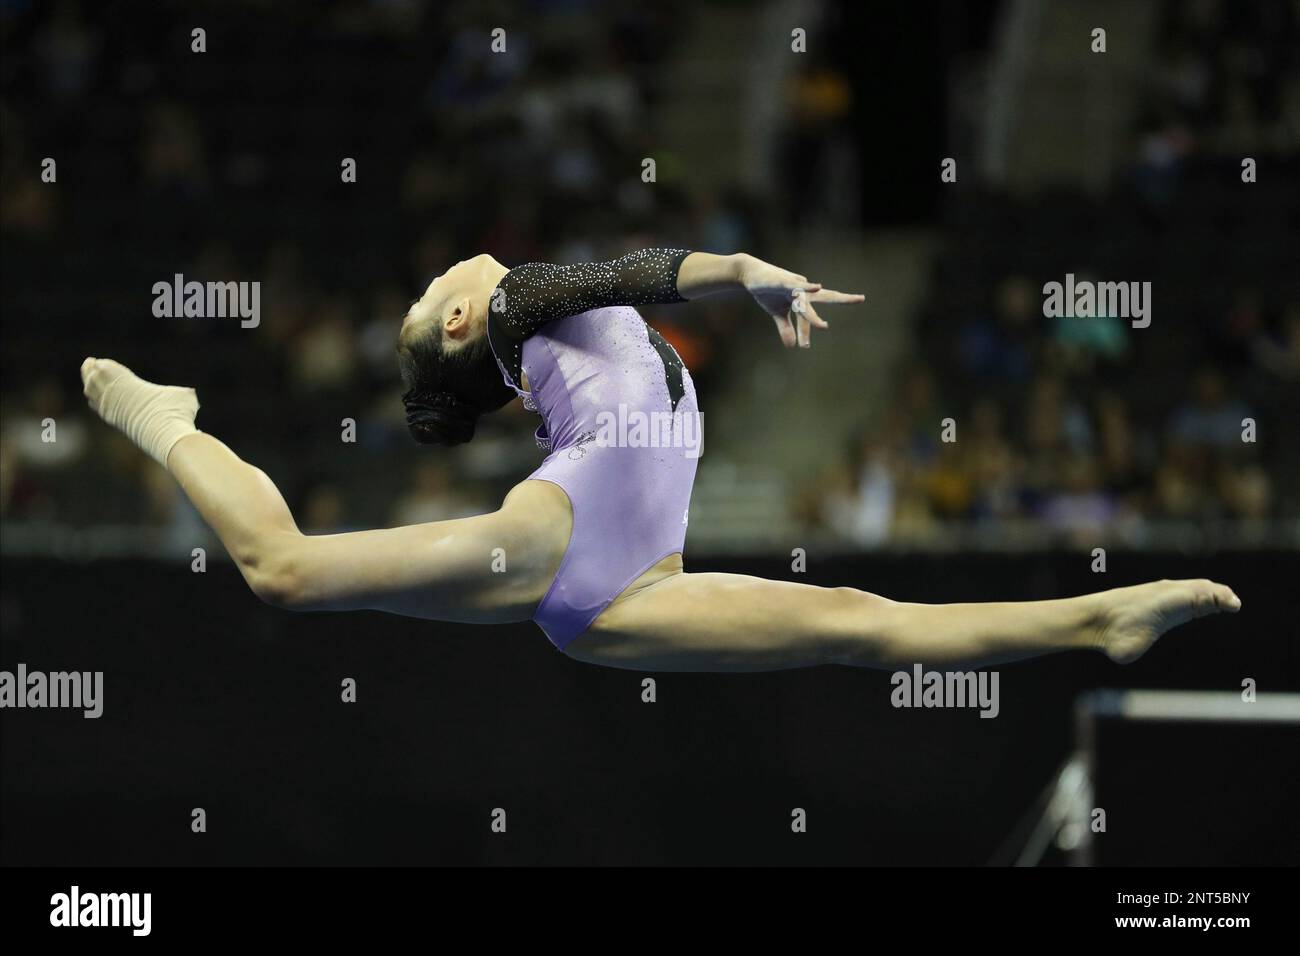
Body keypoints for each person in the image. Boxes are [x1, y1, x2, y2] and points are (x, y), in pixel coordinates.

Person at [80, 249, 1240, 672]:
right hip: (568, 539)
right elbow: (624, 276)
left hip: (633, 594)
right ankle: (163, 416)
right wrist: (738, 268)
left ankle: (1100, 618)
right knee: (281, 569)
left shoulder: (527, 336)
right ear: (454, 326)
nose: (444, 274)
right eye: (433, 290)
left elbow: (620, 292)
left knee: (860, 619)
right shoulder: (517, 304)